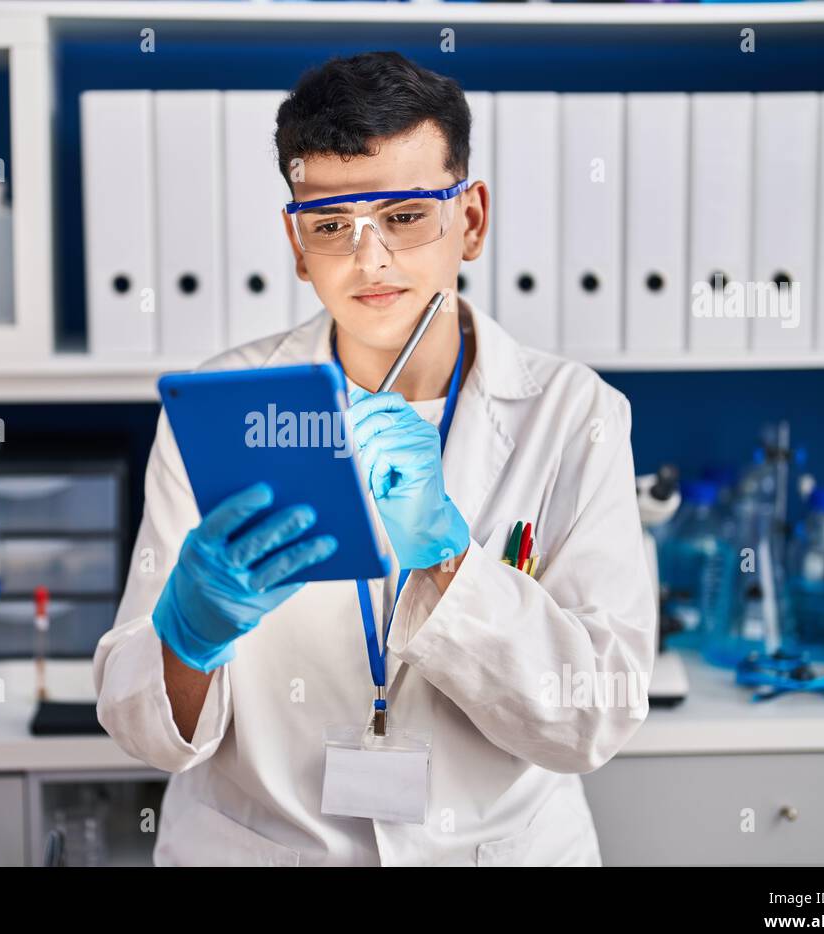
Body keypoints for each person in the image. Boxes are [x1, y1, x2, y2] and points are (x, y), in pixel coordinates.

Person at [94, 51, 656, 866]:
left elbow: (595, 718)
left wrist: (450, 561)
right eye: (331, 224)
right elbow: (145, 732)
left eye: (405, 215)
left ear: (471, 220)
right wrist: (189, 633)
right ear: (297, 242)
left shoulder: (575, 416)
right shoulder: (220, 411)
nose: (370, 258)